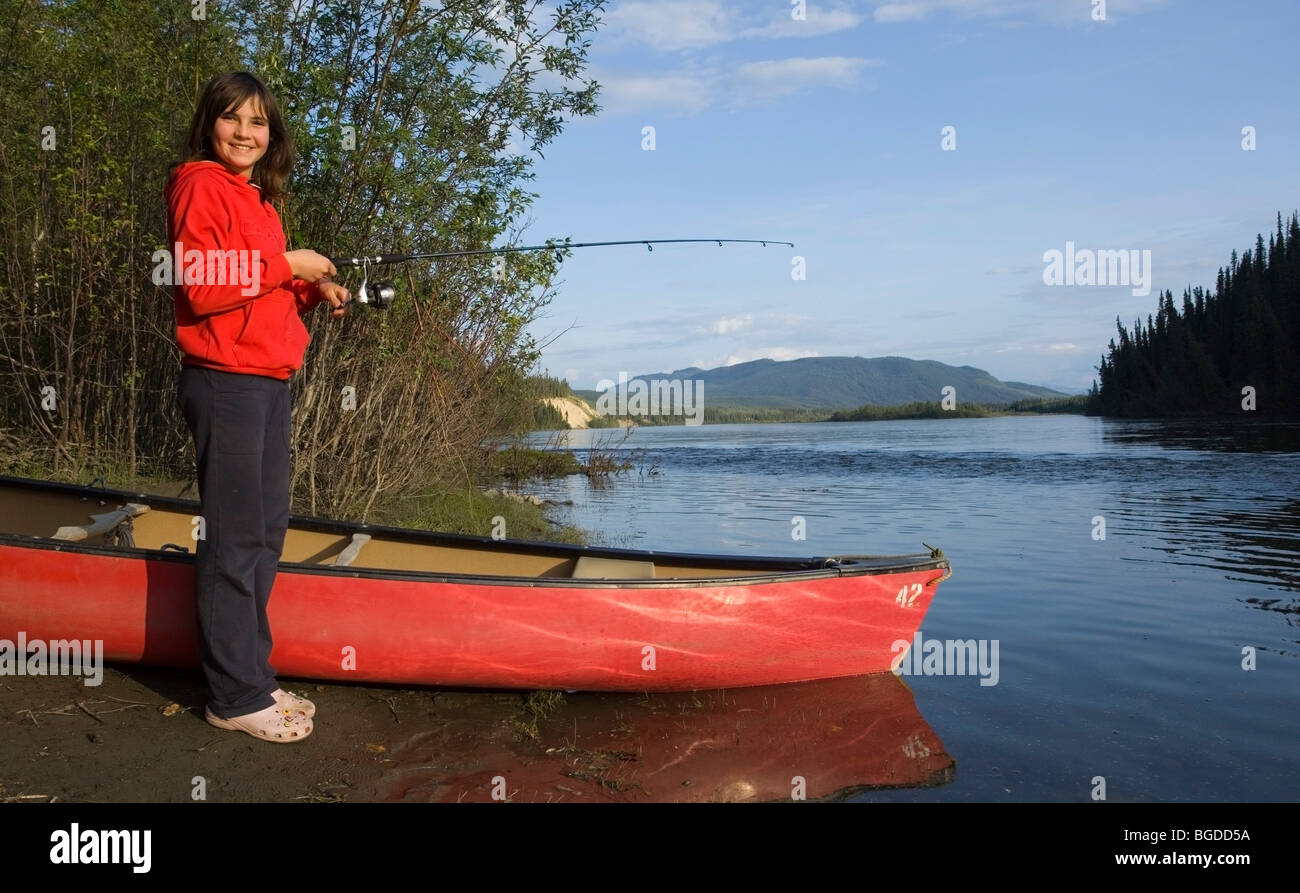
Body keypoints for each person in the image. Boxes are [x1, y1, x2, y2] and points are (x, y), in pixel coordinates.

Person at [168, 71, 348, 743]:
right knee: (235, 538)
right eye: (232, 119)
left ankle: (251, 670)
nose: (246, 132)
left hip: (268, 382)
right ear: (209, 123)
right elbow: (204, 283)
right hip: (225, 381)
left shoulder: (257, 198)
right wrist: (288, 263)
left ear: (271, 134)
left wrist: (309, 290)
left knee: (267, 531)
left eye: (259, 123)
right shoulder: (198, 183)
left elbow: (254, 288)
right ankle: (232, 693)